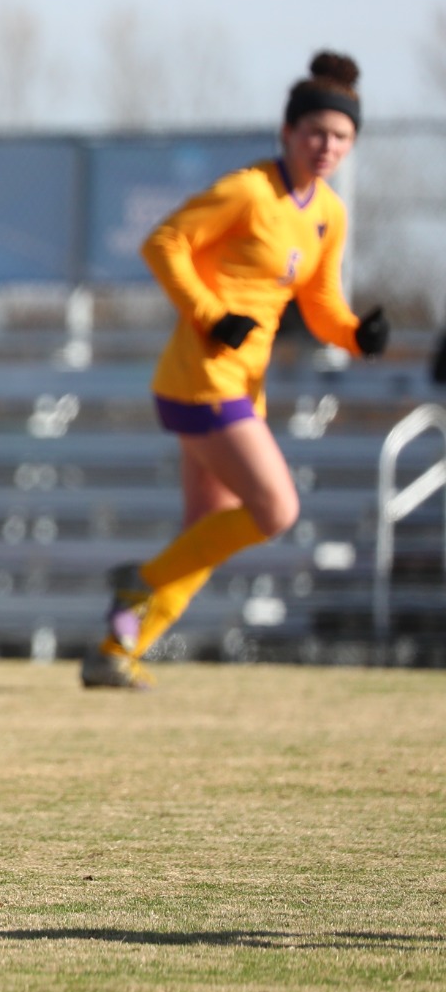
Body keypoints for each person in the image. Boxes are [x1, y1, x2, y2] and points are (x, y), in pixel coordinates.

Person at [84, 52, 387, 689]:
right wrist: (210, 314)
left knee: (208, 533)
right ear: (288, 132)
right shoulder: (249, 190)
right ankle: (143, 579)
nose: (326, 145)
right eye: (315, 132)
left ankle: (115, 651)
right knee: (276, 509)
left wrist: (358, 335)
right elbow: (163, 240)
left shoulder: (329, 212)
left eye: (340, 136)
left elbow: (322, 304)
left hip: (244, 388)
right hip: (202, 380)